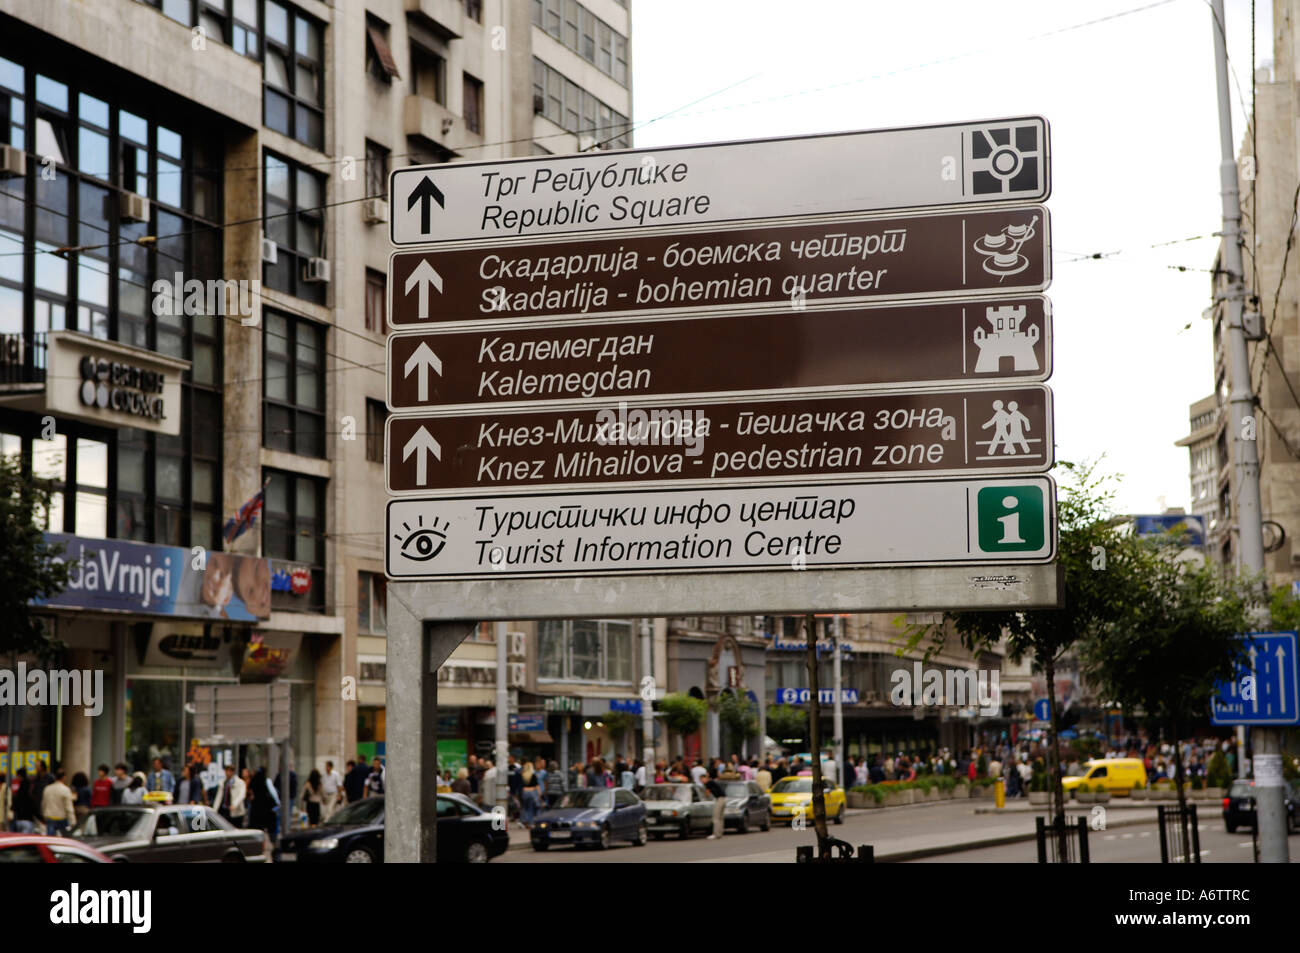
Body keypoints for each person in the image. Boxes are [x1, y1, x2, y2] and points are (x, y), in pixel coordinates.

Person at [704, 768, 727, 840]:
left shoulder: (709, 782)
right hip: (724, 798)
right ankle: (720, 833)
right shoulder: (714, 781)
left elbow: (707, 794)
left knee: (716, 817)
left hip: (719, 799)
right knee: (720, 817)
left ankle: (715, 834)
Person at [520, 760, 538, 827]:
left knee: (524, 807)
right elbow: (536, 785)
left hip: (524, 792)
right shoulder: (533, 775)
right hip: (531, 792)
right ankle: (530, 823)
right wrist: (539, 794)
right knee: (530, 808)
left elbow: (520, 785)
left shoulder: (522, 775)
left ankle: (524, 821)